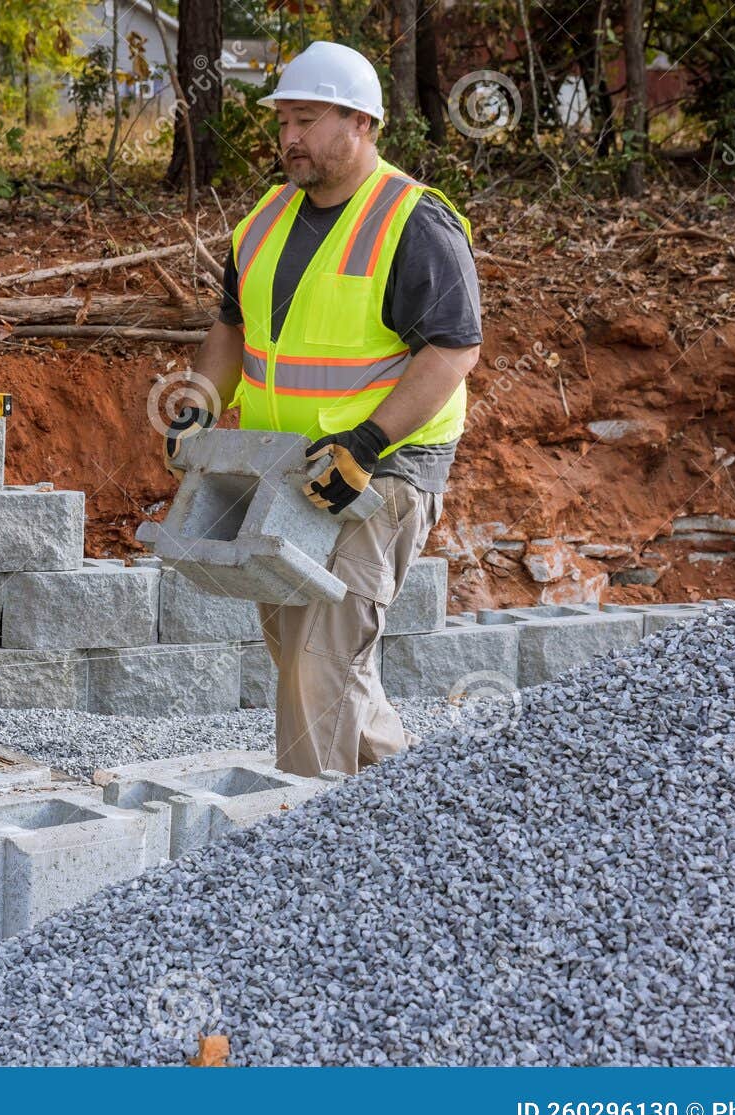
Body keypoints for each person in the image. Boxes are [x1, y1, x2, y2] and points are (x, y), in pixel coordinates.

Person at [168, 40, 483, 778]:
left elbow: (452, 350)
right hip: (288, 467)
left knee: (318, 663)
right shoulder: (265, 221)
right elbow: (231, 329)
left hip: (382, 468)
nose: (289, 139)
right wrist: (200, 405)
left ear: (361, 122)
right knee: (315, 661)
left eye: (306, 121)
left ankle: (300, 842)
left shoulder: (413, 220)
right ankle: (405, 804)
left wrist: (366, 444)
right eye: (283, 121)